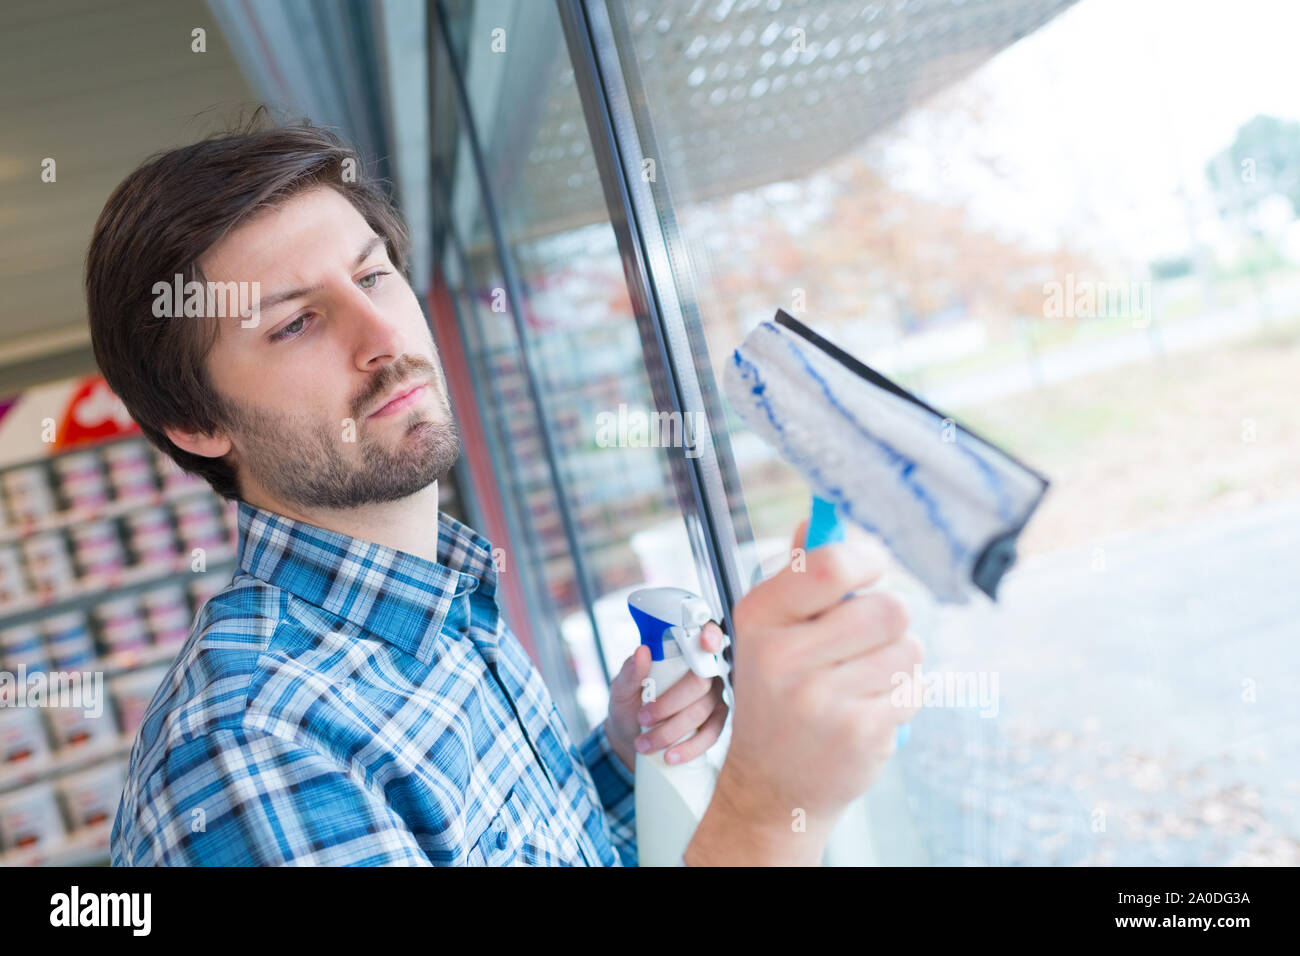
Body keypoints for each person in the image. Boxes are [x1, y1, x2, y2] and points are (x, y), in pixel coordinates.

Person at [86, 115, 921, 866]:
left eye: (373, 278)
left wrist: (623, 764)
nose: (384, 339)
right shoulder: (251, 745)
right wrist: (771, 807)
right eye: (295, 323)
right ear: (195, 423)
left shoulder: (439, 601)